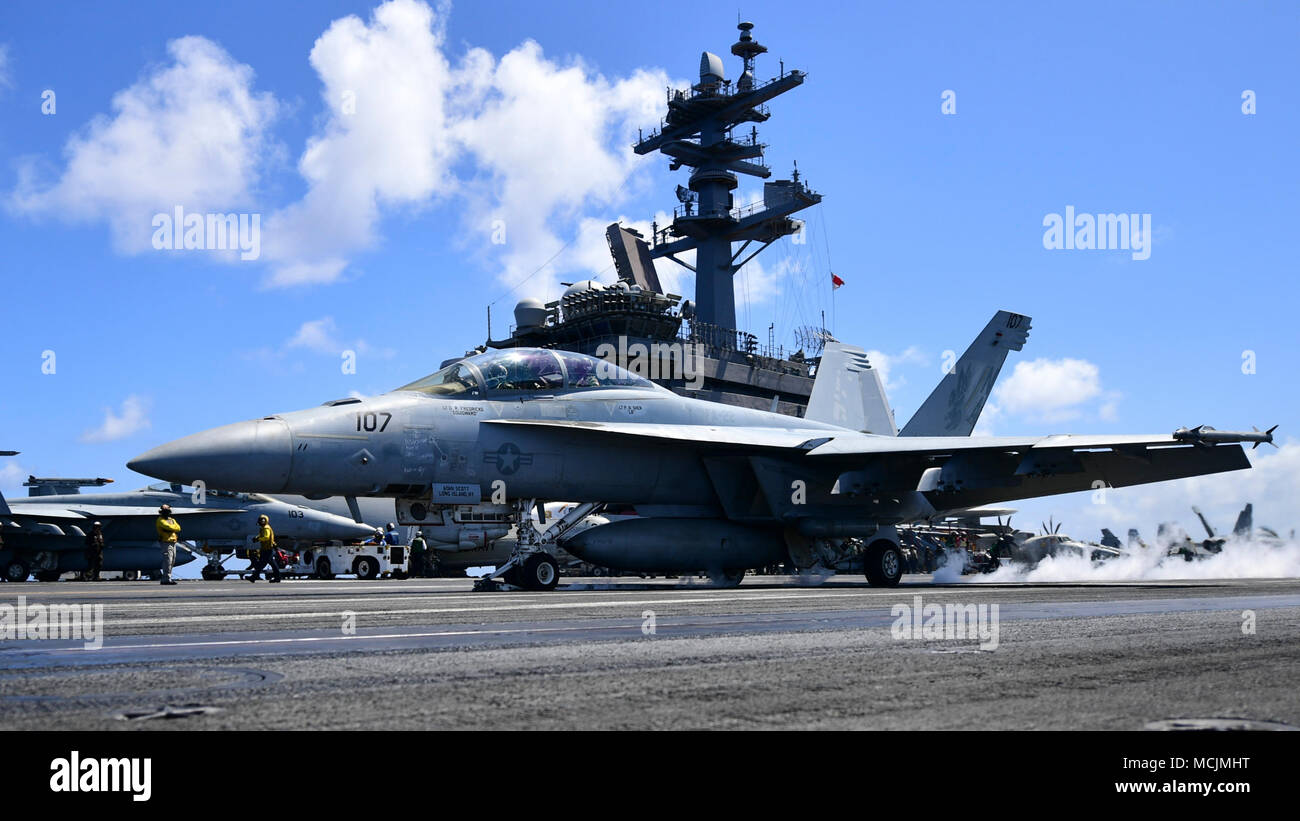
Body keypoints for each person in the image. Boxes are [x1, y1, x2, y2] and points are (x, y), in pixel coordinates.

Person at [246, 514, 281, 583]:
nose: (261, 521)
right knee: (265, 564)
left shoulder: (265, 528)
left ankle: (254, 577)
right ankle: (255, 577)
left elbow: (266, 537)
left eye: (263, 520)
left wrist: (258, 539)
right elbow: (264, 536)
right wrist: (257, 537)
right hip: (266, 548)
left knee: (264, 564)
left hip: (267, 549)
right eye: (261, 520)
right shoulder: (264, 528)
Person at [155, 505, 181, 585]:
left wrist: (171, 528)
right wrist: (172, 528)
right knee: (168, 561)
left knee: (172, 561)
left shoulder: (172, 519)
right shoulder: (160, 520)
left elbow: (178, 528)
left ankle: (168, 578)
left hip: (173, 542)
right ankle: (166, 579)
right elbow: (168, 527)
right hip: (165, 542)